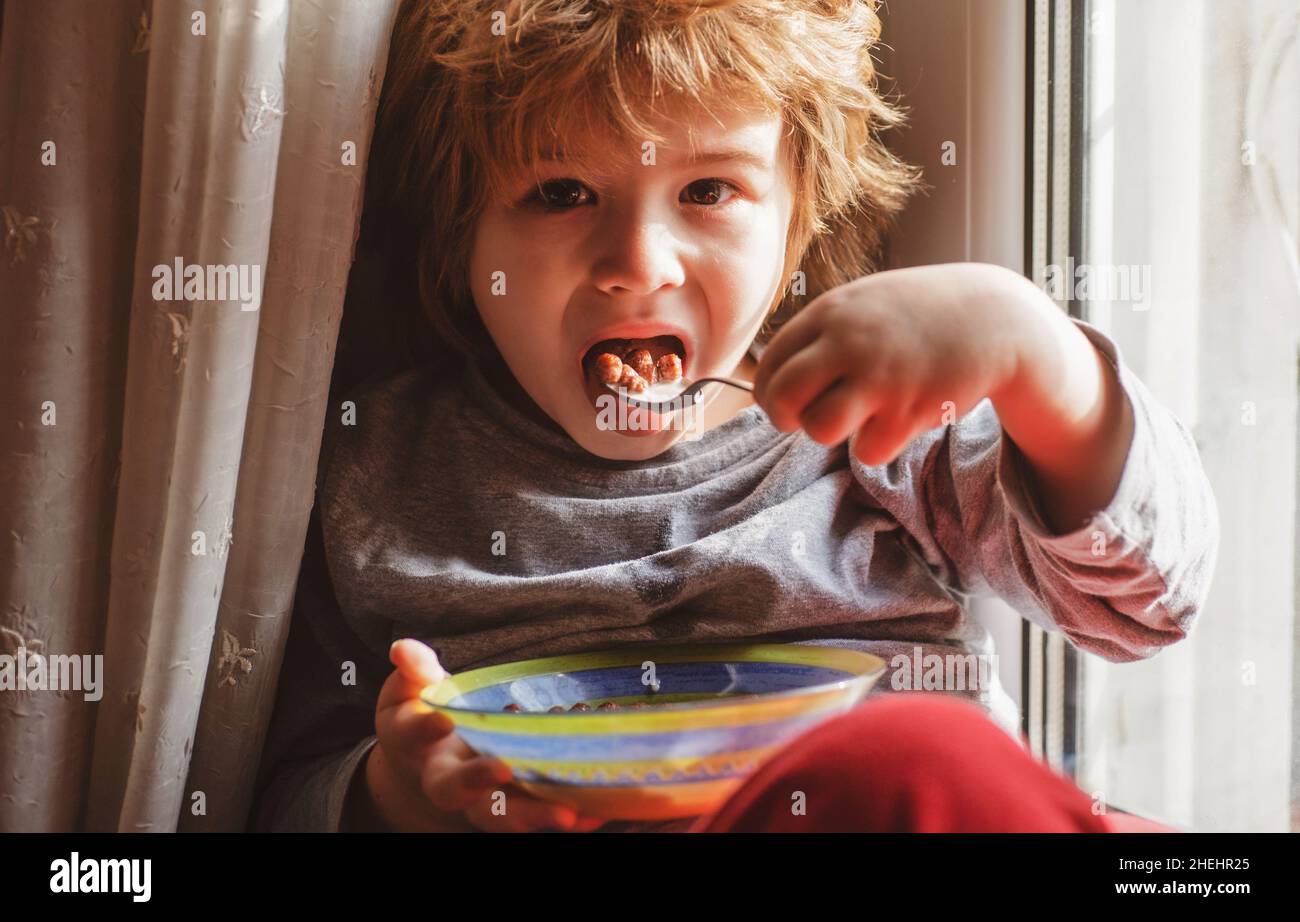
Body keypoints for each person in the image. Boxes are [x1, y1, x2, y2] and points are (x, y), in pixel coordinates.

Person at [250, 0, 1218, 833]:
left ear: (801, 218)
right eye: (560, 193)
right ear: (463, 235)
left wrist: (1035, 354)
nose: (638, 260)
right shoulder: (368, 467)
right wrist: (397, 790)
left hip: (889, 799)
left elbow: (1147, 602)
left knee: (943, 759)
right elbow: (269, 786)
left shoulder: (877, 410)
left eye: (708, 190)